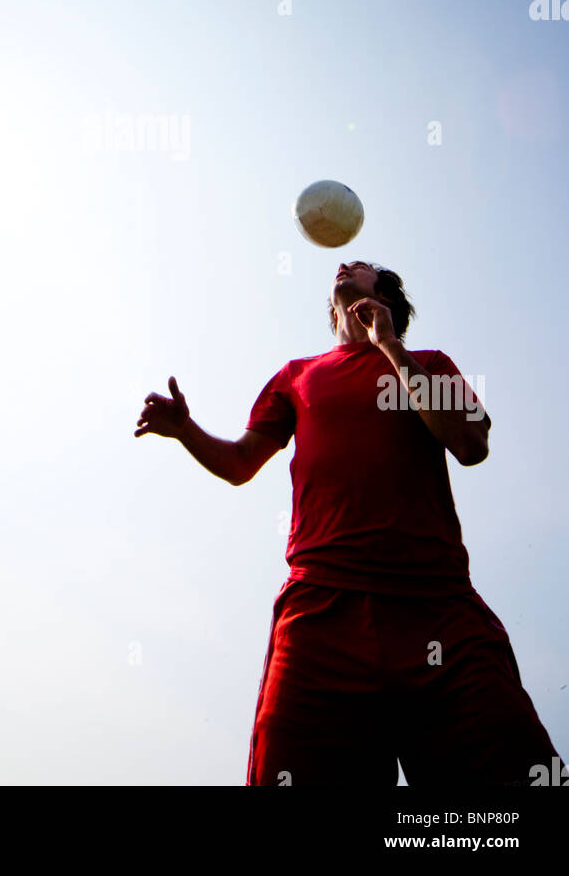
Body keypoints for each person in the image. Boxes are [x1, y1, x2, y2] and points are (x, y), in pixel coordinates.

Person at [135, 260, 565, 786]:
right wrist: (187, 431)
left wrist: (390, 347)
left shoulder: (428, 362)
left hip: (438, 613)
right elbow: (239, 464)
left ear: (383, 295)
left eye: (361, 266)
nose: (344, 263)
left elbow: (471, 444)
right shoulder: (297, 376)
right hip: (320, 614)